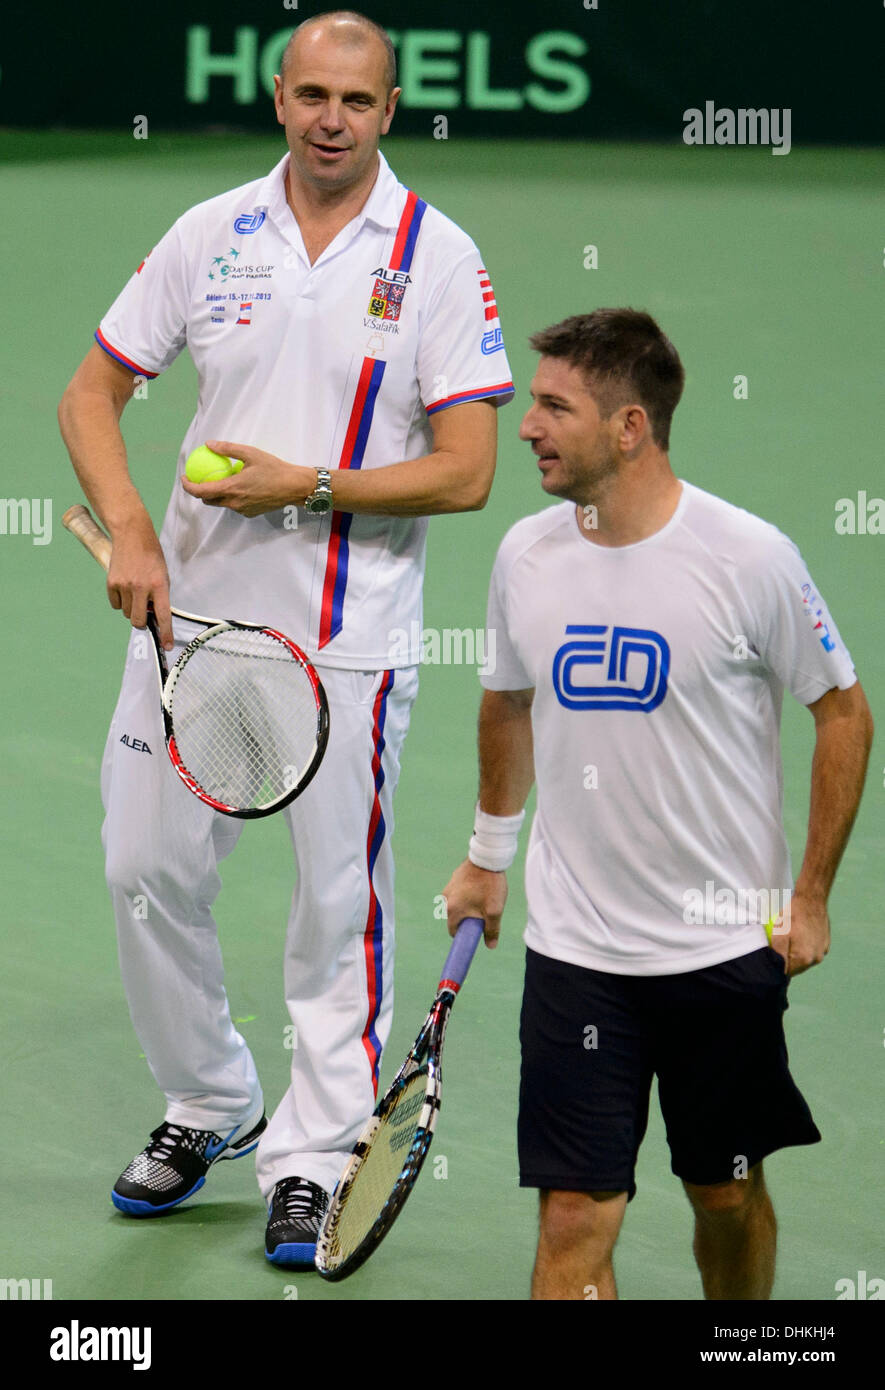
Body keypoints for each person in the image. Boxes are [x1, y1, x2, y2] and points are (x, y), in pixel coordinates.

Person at [58, 10, 513, 1267]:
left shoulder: (435, 255)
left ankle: (310, 1160)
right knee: (143, 868)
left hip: (345, 645)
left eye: (355, 101)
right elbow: (90, 391)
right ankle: (210, 1100)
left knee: (332, 909)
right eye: (310, 93)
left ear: (390, 108)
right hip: (189, 630)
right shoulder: (213, 233)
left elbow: (469, 470)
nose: (330, 119)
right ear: (278, 99)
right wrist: (134, 530)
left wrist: (308, 483)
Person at [442, 308, 873, 1300]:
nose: (526, 424)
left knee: (722, 1197)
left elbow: (844, 713)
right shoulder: (527, 555)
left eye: (554, 405)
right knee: (571, 1220)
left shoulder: (749, 557)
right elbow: (507, 700)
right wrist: (488, 853)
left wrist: (808, 896)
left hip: (720, 951)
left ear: (629, 426)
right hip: (577, 954)